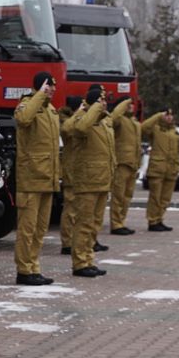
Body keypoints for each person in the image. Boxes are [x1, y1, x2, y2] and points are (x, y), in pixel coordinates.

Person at [12, 72, 63, 286]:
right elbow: (23, 119)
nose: (51, 89)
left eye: (53, 86)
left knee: (41, 228)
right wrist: (39, 95)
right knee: (28, 228)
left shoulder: (51, 110)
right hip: (31, 177)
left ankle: (33, 266)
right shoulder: (27, 104)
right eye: (48, 85)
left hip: (47, 178)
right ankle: (24, 269)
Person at [61, 86, 114, 278]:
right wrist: (89, 109)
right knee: (83, 223)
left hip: (102, 179)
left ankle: (89, 259)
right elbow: (78, 128)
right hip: (87, 180)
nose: (104, 103)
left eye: (104, 100)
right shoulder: (81, 119)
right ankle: (79, 262)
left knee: (94, 224)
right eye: (100, 100)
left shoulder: (104, 120)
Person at [140, 108, 179, 232]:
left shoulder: (175, 131)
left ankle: (159, 219)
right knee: (155, 197)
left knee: (165, 198)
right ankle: (152, 221)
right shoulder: (155, 128)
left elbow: (178, 149)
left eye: (171, 115)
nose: (169, 117)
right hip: (157, 168)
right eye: (166, 115)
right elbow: (143, 128)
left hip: (171, 168)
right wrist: (158, 115)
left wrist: (177, 165)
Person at [106, 97, 143, 235]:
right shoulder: (119, 120)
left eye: (132, 105)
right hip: (121, 162)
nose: (131, 107)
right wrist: (123, 103)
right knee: (118, 195)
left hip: (132, 163)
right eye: (128, 105)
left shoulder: (134, 122)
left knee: (127, 196)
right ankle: (115, 223)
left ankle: (121, 221)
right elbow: (113, 117)